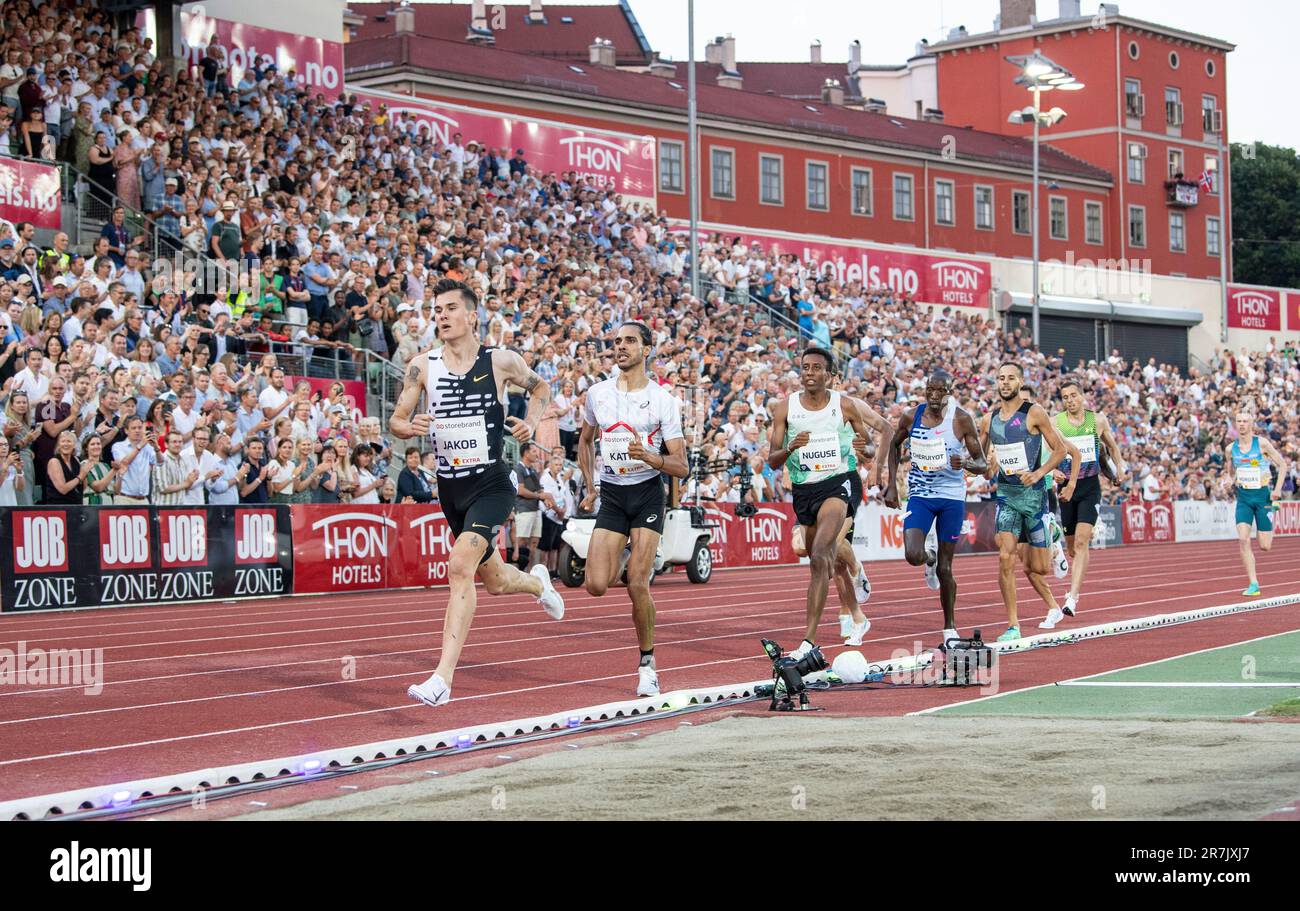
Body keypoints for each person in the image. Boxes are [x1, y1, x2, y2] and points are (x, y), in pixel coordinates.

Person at [389, 278, 564, 710]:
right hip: (451, 489)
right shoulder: (422, 365)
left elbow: (541, 390)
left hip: (491, 484)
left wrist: (530, 422)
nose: (442, 316)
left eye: (451, 308)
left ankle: (442, 678)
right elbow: (396, 418)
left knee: (459, 565)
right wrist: (407, 426)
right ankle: (538, 584)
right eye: (437, 310)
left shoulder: (501, 361)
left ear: (472, 316)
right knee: (498, 581)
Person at [577, 321, 690, 696]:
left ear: (647, 349)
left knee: (637, 583)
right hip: (611, 494)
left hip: (645, 495)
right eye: (616, 341)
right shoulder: (597, 394)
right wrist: (590, 486)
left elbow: (682, 466)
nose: (620, 347)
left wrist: (651, 457)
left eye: (629, 341)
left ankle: (647, 665)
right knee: (594, 585)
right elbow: (585, 442)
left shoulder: (662, 400)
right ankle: (628, 556)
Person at [766, 347, 876, 660]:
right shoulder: (784, 409)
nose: (810, 373)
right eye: (805, 367)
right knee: (829, 563)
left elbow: (867, 446)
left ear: (829, 375)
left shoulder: (845, 405)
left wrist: (863, 447)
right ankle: (858, 615)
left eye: (817, 368)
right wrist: (791, 448)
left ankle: (808, 641)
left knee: (819, 556)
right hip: (805, 490)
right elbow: (772, 460)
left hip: (840, 482)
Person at [884, 370, 987, 646]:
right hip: (919, 494)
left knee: (946, 568)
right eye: (929, 389)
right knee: (912, 553)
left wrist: (964, 463)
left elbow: (983, 464)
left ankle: (949, 626)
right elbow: (894, 446)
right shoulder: (912, 416)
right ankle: (927, 557)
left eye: (939, 390)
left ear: (949, 392)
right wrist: (892, 484)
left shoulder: (961, 419)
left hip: (951, 497)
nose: (933, 395)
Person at [978, 363, 1079, 641]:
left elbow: (1060, 451)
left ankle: (1052, 533)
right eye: (1001, 378)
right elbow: (980, 461)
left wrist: (1038, 473)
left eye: (1011, 378)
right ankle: (1013, 625)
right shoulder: (989, 420)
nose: (1005, 382)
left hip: (1034, 498)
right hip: (1007, 497)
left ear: (1020, 382)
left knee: (1039, 568)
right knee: (1004, 557)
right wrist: (979, 465)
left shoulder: (1034, 412)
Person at [1051, 378, 1126, 616]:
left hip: (1090, 486)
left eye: (1074, 395)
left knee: (1082, 542)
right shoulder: (1055, 423)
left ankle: (1072, 597)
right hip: (1066, 489)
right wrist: (1052, 470)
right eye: (1065, 397)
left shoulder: (1098, 420)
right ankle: (1063, 556)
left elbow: (1112, 447)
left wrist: (1120, 467)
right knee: (1073, 547)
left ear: (1082, 396)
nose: (1070, 401)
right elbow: (1045, 451)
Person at [1229, 410, 1288, 596]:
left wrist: (1277, 490)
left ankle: (1273, 512)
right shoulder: (1230, 449)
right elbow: (1230, 470)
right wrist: (1228, 481)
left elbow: (1283, 465)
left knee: (1265, 546)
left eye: (1245, 421)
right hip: (1244, 498)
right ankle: (1253, 583)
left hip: (1263, 497)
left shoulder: (1262, 443)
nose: (1242, 424)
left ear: (1252, 423)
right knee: (1243, 538)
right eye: (1239, 421)